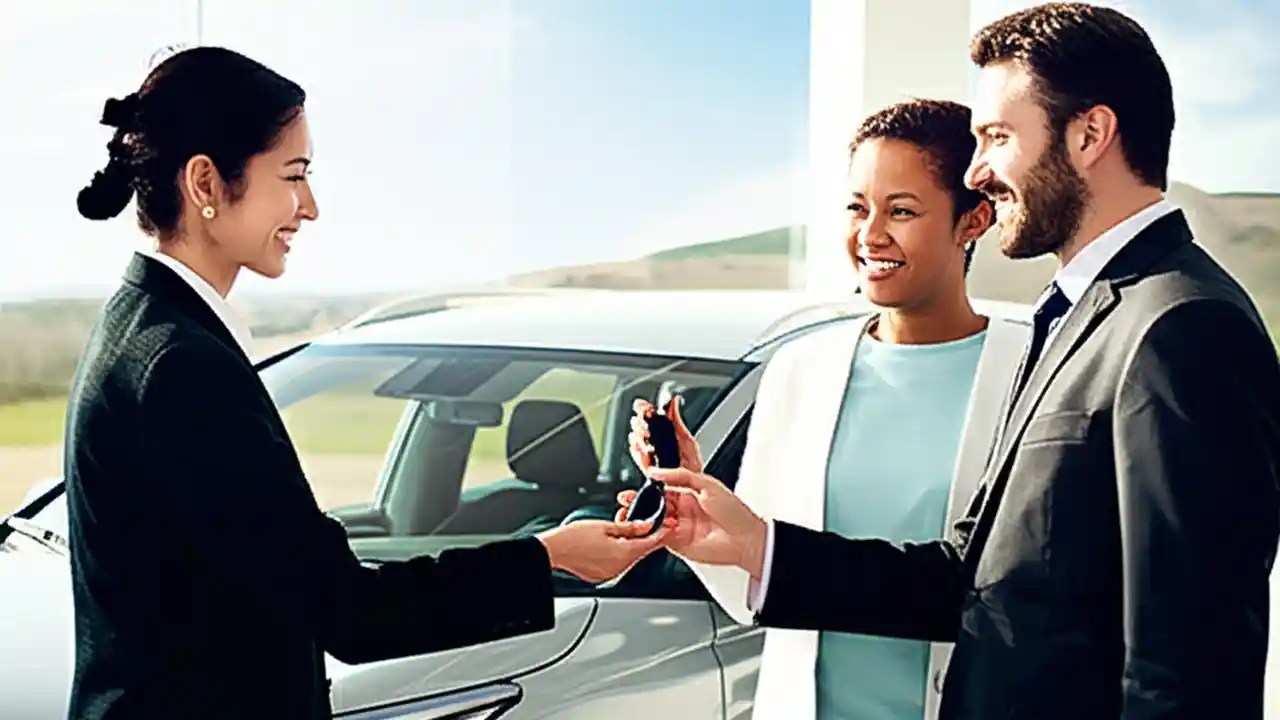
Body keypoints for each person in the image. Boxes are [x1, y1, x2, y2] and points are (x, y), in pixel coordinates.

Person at [623, 3, 1280, 719]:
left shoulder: (1180, 327)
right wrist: (754, 543)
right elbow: (975, 581)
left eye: (998, 137)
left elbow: (1189, 669)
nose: (979, 170)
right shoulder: (1082, 319)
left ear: (1091, 133)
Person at [63, 46, 669, 720]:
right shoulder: (181, 366)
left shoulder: (137, 324)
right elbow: (346, 610)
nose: (311, 207)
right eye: (293, 176)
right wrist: (549, 557)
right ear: (205, 183)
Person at [628, 99, 1029, 720]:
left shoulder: (1035, 373)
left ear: (973, 220)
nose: (870, 235)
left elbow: (1025, 596)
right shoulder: (800, 371)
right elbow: (753, 588)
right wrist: (697, 524)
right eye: (857, 207)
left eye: (901, 211)